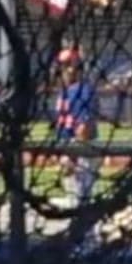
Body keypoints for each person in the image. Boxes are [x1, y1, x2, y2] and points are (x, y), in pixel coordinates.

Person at [53, 47, 100, 236]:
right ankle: (82, 239)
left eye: (68, 66)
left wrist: (72, 153)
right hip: (71, 148)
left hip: (82, 150)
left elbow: (84, 127)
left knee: (81, 199)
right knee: (75, 199)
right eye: (62, 66)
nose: (64, 71)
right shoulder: (66, 91)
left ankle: (87, 242)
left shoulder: (81, 90)